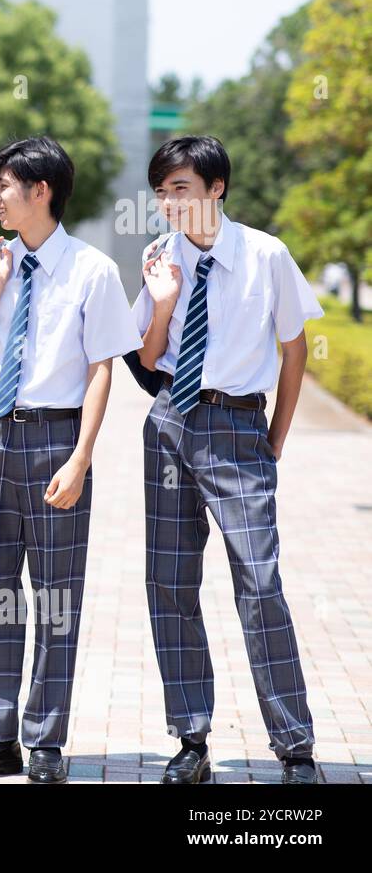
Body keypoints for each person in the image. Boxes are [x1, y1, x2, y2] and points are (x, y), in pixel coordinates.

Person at [0, 137, 140, 784]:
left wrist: (82, 456)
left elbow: (103, 369)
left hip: (57, 440)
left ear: (41, 191)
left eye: (4, 185)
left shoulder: (93, 270)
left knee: (55, 595)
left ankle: (46, 741)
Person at [133, 135, 322, 784]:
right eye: (160, 192)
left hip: (238, 425)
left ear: (216, 189)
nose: (168, 203)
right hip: (168, 424)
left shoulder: (266, 255)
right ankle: (191, 741)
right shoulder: (159, 255)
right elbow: (149, 356)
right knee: (170, 583)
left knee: (259, 583)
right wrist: (161, 302)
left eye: (179, 188)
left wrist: (274, 439)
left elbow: (295, 351)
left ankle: (295, 746)